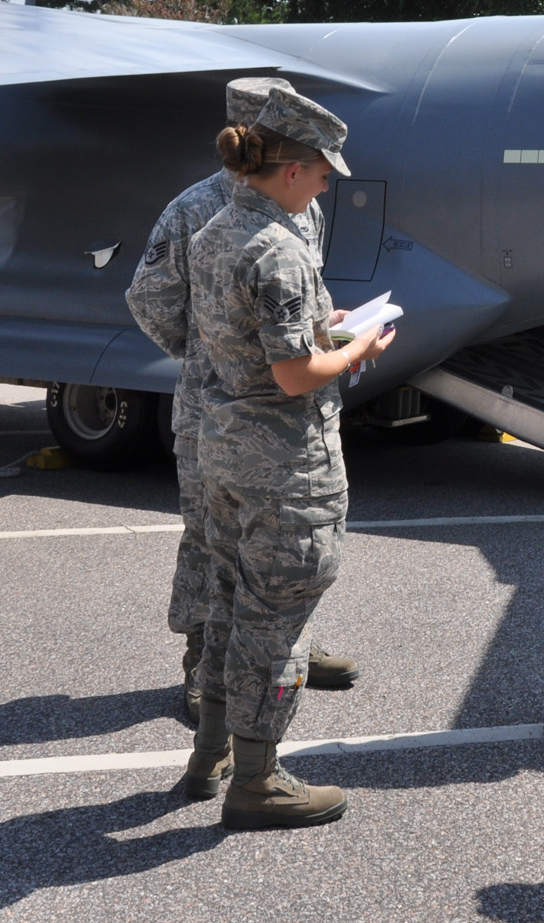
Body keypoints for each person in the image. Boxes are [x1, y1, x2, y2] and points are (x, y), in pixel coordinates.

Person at [176, 84, 395, 830]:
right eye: (324, 170)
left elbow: (244, 338)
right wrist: (361, 344)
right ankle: (258, 779)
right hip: (285, 465)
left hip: (225, 452)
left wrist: (319, 327)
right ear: (294, 170)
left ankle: (210, 756)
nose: (330, 182)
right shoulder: (279, 248)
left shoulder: (216, 233)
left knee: (232, 607)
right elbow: (296, 374)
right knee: (277, 623)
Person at [126, 78, 360, 726]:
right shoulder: (195, 208)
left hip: (277, 407)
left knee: (279, 547)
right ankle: (203, 669)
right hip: (217, 403)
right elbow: (148, 299)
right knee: (214, 544)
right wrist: (207, 347)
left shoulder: (299, 205)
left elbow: (299, 288)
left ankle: (292, 649)